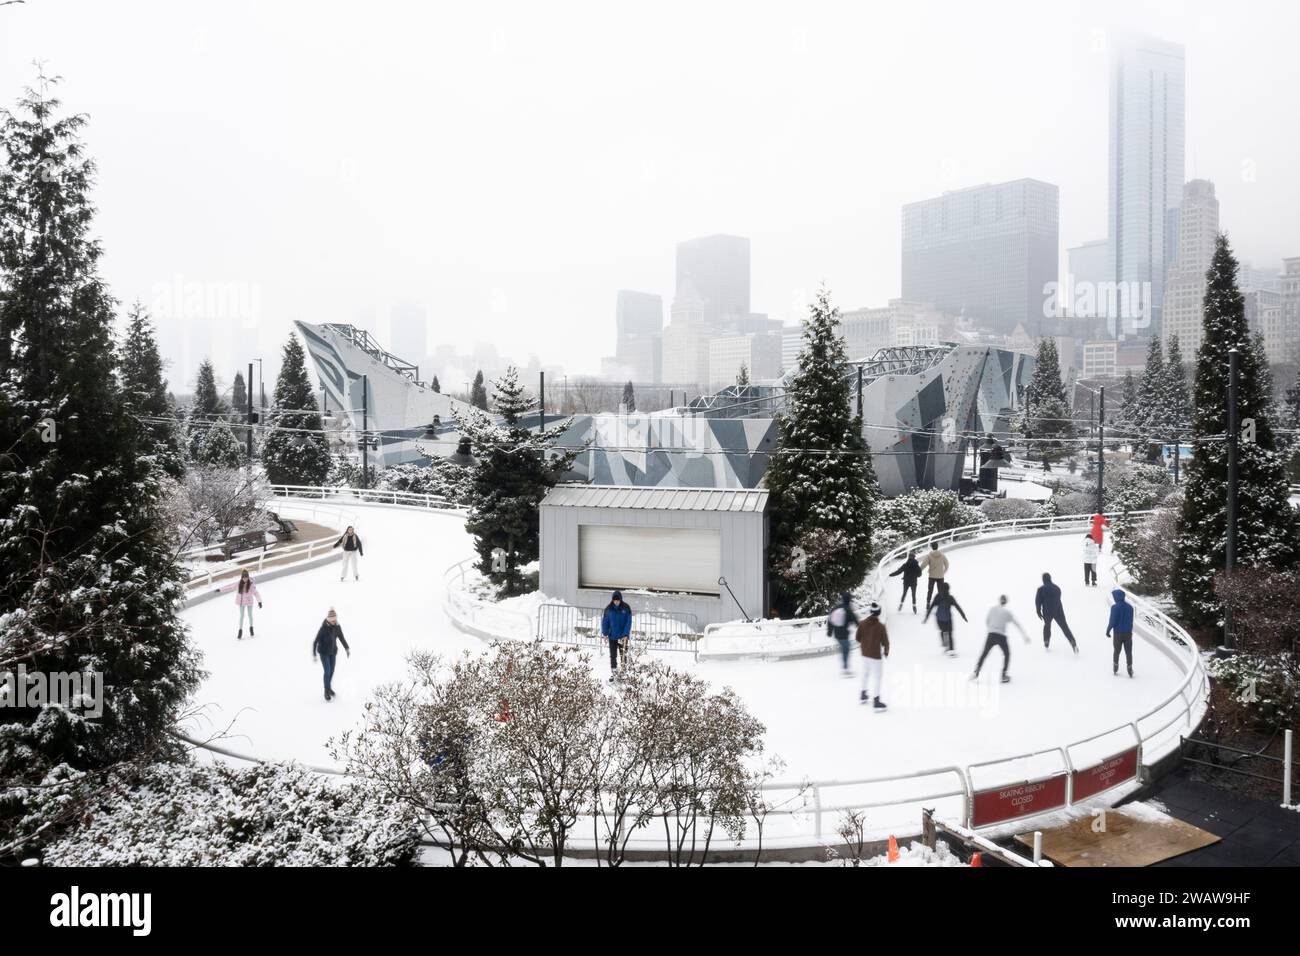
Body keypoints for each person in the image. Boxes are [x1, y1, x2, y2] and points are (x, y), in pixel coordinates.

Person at [972, 595, 1029, 684]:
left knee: (984, 653)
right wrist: (1024, 635)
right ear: (1006, 602)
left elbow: (987, 621)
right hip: (1001, 636)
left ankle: (976, 671)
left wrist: (991, 629)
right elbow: (1016, 624)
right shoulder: (1007, 613)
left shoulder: (992, 609)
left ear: (999, 601)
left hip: (991, 635)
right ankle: (1003, 675)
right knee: (1007, 654)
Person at [854, 602, 889, 712]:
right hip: (875, 655)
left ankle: (863, 694)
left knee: (865, 674)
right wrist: (886, 652)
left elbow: (857, 638)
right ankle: (876, 701)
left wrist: (865, 643)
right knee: (877, 677)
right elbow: (885, 642)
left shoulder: (862, 623)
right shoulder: (880, 627)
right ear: (879, 612)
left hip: (864, 654)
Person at [312, 608, 351, 701]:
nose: (334, 621)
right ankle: (326, 691)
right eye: (332, 620)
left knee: (332, 671)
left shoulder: (337, 627)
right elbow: (315, 641)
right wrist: (314, 654)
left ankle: (328, 687)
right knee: (327, 671)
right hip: (324, 652)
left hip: (333, 652)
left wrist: (347, 648)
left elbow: (341, 638)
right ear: (329, 620)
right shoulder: (323, 629)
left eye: (335, 620)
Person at [1034, 572, 1078, 653]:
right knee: (1064, 627)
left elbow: (1038, 601)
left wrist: (1038, 611)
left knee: (1047, 626)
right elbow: (1058, 598)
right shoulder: (1057, 588)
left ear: (1043, 579)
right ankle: (1072, 641)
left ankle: (1046, 641)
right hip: (1058, 610)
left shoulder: (1041, 589)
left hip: (1047, 612)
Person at [923, 580, 967, 656]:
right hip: (948, 618)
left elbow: (931, 606)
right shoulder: (950, 598)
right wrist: (963, 616)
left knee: (943, 631)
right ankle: (951, 650)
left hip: (939, 619)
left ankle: (945, 644)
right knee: (950, 633)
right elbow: (957, 607)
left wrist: (926, 617)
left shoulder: (938, 596)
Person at [217, 569, 262, 640]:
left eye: (246, 577)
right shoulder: (238, 584)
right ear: (242, 577)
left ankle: (251, 628)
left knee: (250, 615)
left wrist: (259, 601)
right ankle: (240, 631)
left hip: (249, 601)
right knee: (241, 616)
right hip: (241, 602)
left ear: (248, 577)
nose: (245, 579)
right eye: (244, 577)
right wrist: (220, 589)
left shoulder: (251, 584)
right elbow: (230, 587)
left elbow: (256, 593)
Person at [600, 590, 632, 682]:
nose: (616, 602)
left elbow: (628, 622)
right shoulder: (608, 609)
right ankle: (614, 673)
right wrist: (605, 634)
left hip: (623, 637)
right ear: (612, 600)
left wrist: (625, 634)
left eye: (618, 600)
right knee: (613, 656)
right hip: (612, 636)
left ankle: (623, 673)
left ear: (620, 599)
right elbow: (605, 622)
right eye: (615, 600)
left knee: (623, 655)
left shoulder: (626, 608)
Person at [826, 592, 859, 675]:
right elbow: (855, 620)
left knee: (845, 648)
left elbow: (830, 620)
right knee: (846, 649)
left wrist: (829, 632)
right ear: (849, 600)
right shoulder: (848, 609)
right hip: (844, 634)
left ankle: (845, 667)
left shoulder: (836, 608)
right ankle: (845, 668)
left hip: (836, 633)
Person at [1106, 589, 1135, 678]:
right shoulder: (1130, 607)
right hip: (1128, 633)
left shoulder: (1115, 607)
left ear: (1116, 597)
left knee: (1116, 651)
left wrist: (1108, 630)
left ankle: (1115, 666)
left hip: (1118, 633)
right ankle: (1130, 668)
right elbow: (1131, 620)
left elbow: (1112, 621)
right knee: (1128, 652)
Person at [922, 542, 950, 609]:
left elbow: (923, 565)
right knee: (940, 591)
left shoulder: (929, 556)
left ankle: (928, 603)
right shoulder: (942, 555)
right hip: (940, 576)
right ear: (937, 547)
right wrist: (943, 572)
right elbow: (947, 564)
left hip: (931, 576)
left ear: (932, 547)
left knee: (930, 590)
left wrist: (919, 571)